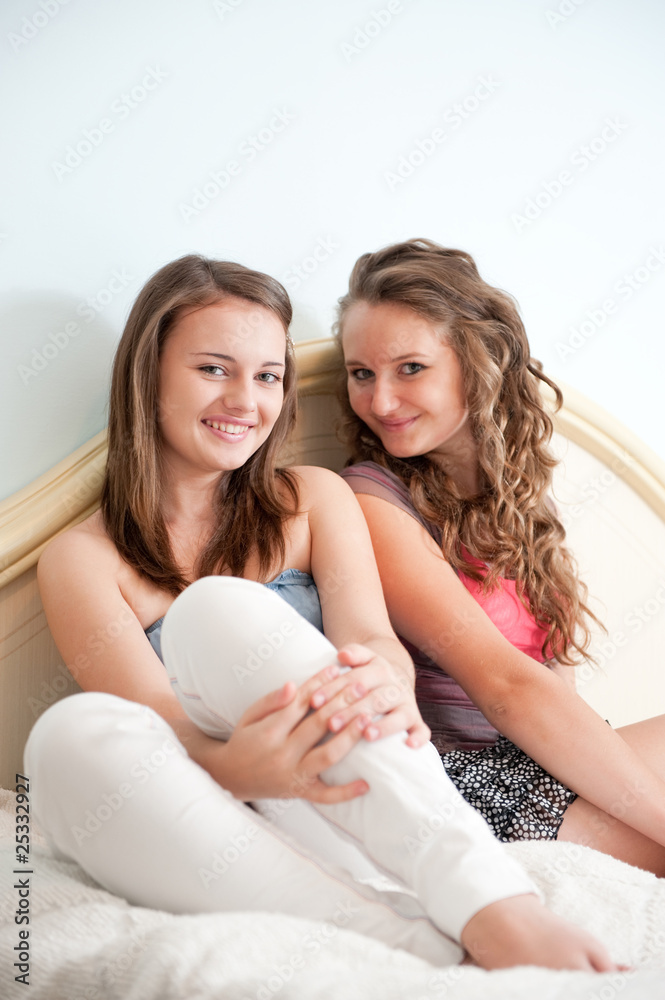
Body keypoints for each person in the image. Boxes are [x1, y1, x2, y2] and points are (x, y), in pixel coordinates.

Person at [27, 253, 617, 973]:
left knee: (215, 611)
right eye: (214, 369)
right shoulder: (79, 558)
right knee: (60, 741)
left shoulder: (309, 498)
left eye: (268, 375)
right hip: (212, 819)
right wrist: (236, 769)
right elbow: (158, 720)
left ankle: (492, 903)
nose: (245, 399)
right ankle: (410, 946)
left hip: (354, 785)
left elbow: (370, 636)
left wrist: (385, 677)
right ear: (147, 376)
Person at [335, 237, 665, 877]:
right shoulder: (370, 500)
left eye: (410, 368)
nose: (379, 401)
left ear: (476, 362)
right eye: (361, 374)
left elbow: (556, 699)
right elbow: (507, 688)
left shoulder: (520, 504)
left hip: (539, 759)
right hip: (467, 779)